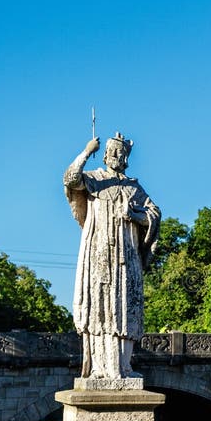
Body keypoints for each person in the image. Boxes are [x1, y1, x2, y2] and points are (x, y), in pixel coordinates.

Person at [64, 132, 161, 379]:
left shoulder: (134, 188)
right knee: (99, 307)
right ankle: (99, 368)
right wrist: (87, 151)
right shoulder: (94, 180)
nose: (117, 156)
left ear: (126, 158)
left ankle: (123, 367)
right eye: (113, 151)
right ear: (105, 155)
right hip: (98, 255)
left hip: (126, 258)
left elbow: (154, 214)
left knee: (126, 307)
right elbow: (70, 178)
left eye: (121, 152)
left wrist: (134, 215)